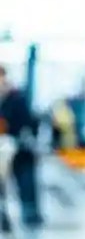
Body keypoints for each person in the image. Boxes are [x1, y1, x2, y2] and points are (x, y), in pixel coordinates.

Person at [0, 65, 43, 230]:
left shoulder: (17, 97)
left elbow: (28, 122)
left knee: (25, 167)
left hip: (19, 144)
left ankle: (30, 211)